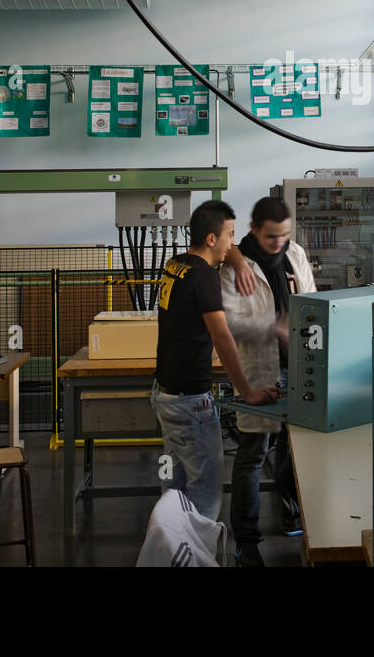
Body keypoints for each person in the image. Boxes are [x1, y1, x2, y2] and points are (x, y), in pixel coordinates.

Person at [152, 200, 279, 522]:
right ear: (211, 239)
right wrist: (247, 392)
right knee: (205, 499)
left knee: (175, 491)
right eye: (230, 235)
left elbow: (222, 250)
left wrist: (237, 261)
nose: (232, 244)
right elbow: (222, 338)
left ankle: (175, 552)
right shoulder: (204, 278)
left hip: (165, 393)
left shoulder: (175, 264)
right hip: (190, 400)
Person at [221, 197, 313, 567]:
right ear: (254, 229)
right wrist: (274, 329)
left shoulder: (296, 253)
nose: (280, 243)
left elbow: (312, 297)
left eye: (285, 235)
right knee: (253, 455)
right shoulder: (235, 266)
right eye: (272, 236)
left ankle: (293, 516)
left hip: (302, 365)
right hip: (261, 369)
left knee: (297, 449)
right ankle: (246, 540)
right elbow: (229, 321)